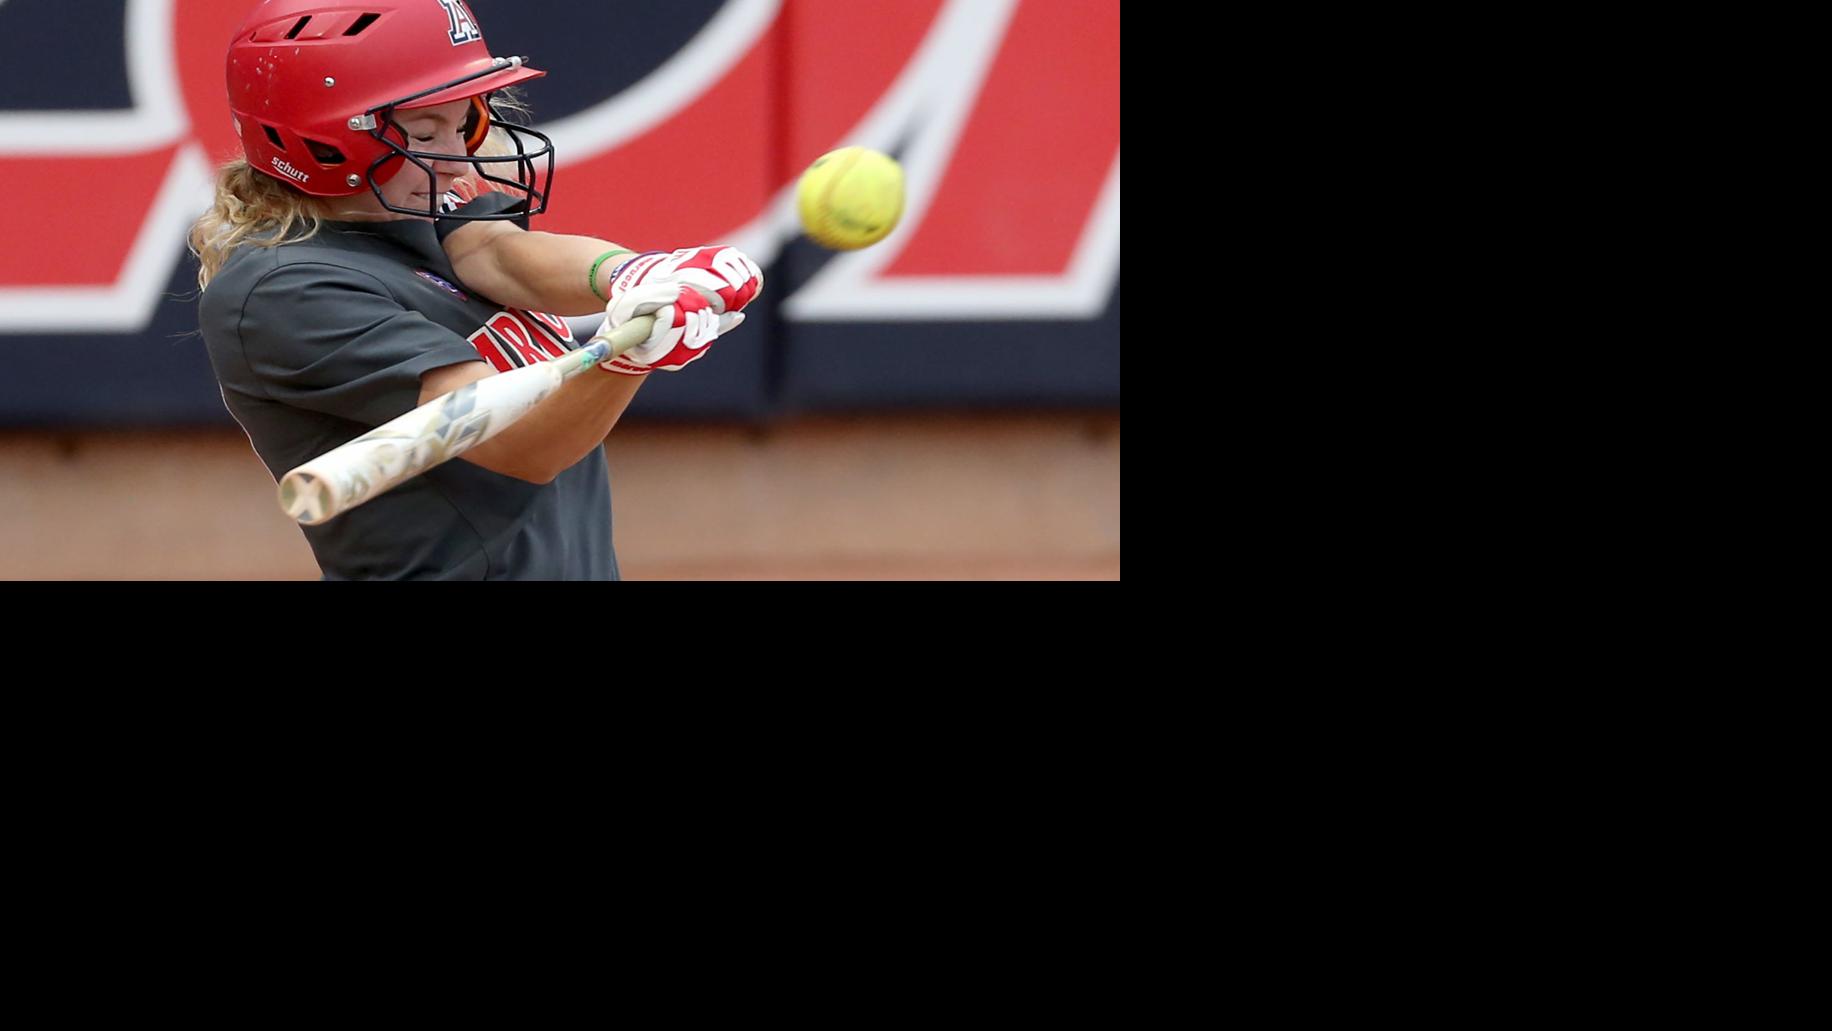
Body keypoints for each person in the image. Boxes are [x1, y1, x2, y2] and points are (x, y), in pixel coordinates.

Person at [190, 0, 762, 580]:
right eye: (424, 130)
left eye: (464, 121)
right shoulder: (282, 291)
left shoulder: (421, 197)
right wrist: (627, 361)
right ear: (324, 142)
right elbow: (518, 445)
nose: (459, 155)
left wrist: (635, 276)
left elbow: (503, 256)